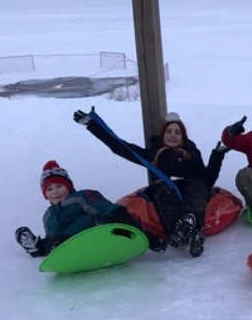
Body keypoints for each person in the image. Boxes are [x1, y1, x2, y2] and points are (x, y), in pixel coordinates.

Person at [73, 108, 228, 258]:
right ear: (162, 135)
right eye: (169, 131)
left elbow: (207, 180)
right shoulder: (152, 154)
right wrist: (93, 125)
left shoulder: (192, 154)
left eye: (177, 132)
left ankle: (189, 222)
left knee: (198, 188)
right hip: (164, 187)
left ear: (183, 137)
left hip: (190, 186)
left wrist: (217, 156)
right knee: (164, 192)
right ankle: (186, 234)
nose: (172, 135)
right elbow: (120, 147)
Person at [15, 160, 167, 257]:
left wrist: (118, 214)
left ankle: (148, 237)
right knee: (52, 242)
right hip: (69, 244)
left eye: (59, 186)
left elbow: (103, 207)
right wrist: (47, 244)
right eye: (50, 189)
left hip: (97, 231)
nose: (55, 192)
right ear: (45, 195)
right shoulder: (48, 217)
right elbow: (52, 236)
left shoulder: (81, 197)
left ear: (68, 186)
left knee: (107, 217)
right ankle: (36, 247)